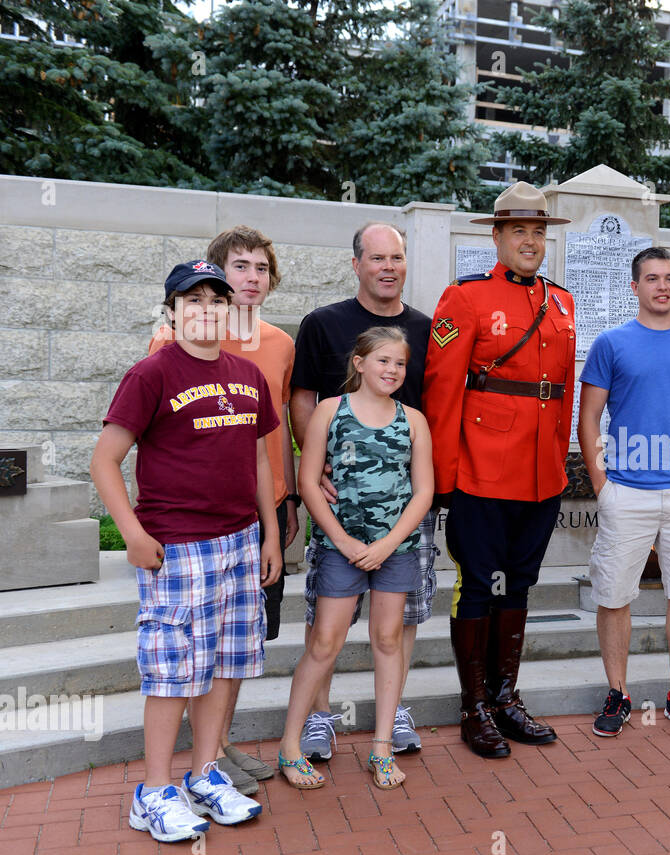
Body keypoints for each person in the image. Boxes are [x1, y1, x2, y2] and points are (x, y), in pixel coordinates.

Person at [91, 260, 280, 841]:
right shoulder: (151, 374)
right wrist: (133, 532)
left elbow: (257, 459)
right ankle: (152, 792)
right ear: (171, 312)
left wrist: (271, 532)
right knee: (173, 671)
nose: (205, 309)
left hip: (241, 540)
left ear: (231, 310)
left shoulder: (248, 375)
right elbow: (104, 460)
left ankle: (204, 775)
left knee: (227, 663)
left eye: (216, 299)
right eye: (191, 299)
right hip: (178, 546)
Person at [423, 182, 577, 758]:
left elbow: (559, 396)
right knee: (479, 588)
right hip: (481, 474)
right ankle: (474, 708)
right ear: (497, 236)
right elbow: (443, 394)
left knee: (519, 585)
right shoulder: (465, 298)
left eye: (539, 232)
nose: (531, 242)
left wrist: (558, 466)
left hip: (540, 477)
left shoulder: (560, 302)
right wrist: (443, 480)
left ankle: (507, 697)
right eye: (520, 231)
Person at [148, 225, 296, 794]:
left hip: (261, 510)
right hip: (194, 523)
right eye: (240, 267)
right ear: (215, 276)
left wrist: (287, 502)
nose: (251, 278)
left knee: (242, 638)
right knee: (194, 642)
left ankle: (221, 747)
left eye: (261, 268)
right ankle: (200, 759)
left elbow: (274, 430)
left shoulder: (281, 343)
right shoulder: (174, 339)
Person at [288, 222, 435, 762]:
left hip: (403, 506)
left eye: (396, 257)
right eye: (378, 258)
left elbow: (428, 406)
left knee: (402, 618)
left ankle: (392, 713)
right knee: (326, 621)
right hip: (340, 504)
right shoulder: (324, 324)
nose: (389, 267)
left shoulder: (425, 328)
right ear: (357, 263)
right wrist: (314, 463)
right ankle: (320, 718)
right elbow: (302, 397)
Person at [578, 247, 670, 738]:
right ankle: (617, 693)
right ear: (635, 286)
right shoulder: (611, 344)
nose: (663, 286)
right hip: (627, 490)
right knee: (615, 596)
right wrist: (602, 485)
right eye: (653, 278)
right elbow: (589, 416)